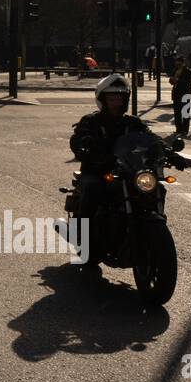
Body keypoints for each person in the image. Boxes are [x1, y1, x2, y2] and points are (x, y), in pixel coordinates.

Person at [69, 75, 149, 271]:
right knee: (93, 188)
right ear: (103, 100)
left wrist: (168, 151)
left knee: (154, 187)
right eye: (112, 98)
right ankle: (84, 240)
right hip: (98, 170)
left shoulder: (132, 123)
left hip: (127, 172)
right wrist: (84, 146)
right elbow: (78, 139)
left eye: (120, 98)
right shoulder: (91, 121)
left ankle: (149, 230)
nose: (117, 101)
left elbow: (150, 137)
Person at [171, 55, 191, 136]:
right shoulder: (175, 70)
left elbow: (190, 82)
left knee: (185, 113)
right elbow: (171, 80)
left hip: (185, 94)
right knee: (177, 113)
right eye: (176, 64)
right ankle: (178, 129)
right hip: (176, 93)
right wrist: (172, 80)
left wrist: (178, 80)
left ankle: (185, 129)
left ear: (183, 63)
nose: (177, 66)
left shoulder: (188, 71)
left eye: (179, 64)